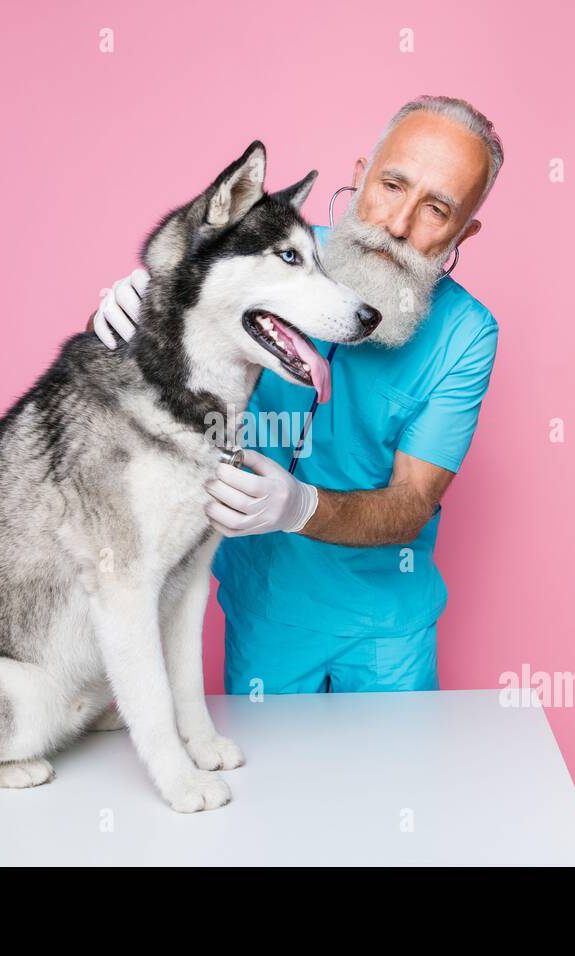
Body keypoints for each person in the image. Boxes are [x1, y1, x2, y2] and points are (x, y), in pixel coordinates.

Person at [88, 95, 502, 695]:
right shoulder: (268, 249)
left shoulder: (467, 335)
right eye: (392, 185)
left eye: (437, 209)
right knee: (273, 788)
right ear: (360, 174)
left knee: (398, 788)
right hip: (263, 610)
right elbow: (178, 341)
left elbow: (413, 503)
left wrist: (299, 506)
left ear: (465, 230)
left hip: (388, 633)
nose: (398, 223)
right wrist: (143, 311)